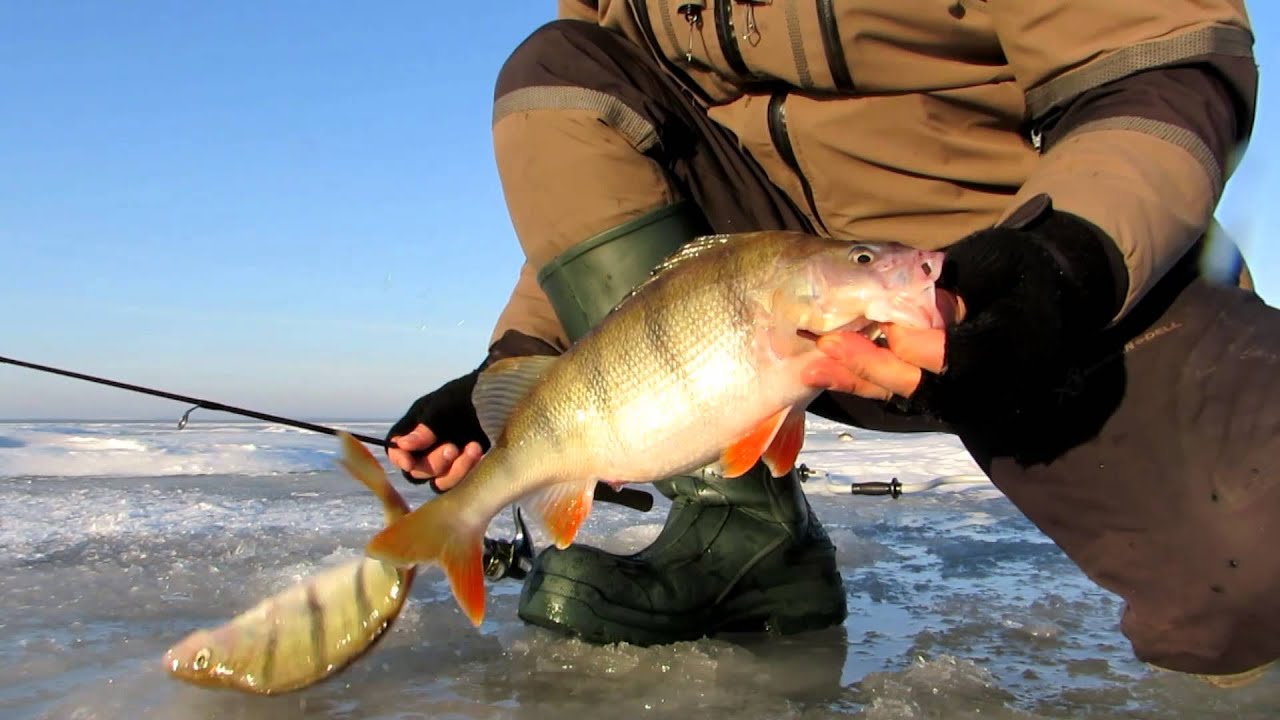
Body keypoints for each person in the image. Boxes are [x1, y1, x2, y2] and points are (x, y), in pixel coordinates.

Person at [386, 0, 1279, 687]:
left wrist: (1069, 259)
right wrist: (516, 364)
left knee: (1252, 566)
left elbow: (1162, 63)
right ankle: (741, 529)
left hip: (1029, 264)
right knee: (557, 75)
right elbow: (606, 182)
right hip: (771, 310)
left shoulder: (1044, 261)